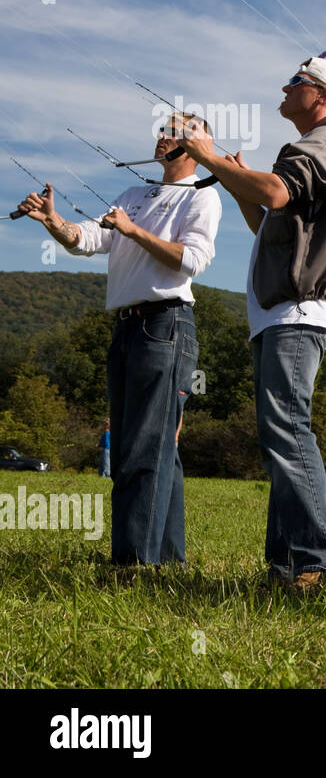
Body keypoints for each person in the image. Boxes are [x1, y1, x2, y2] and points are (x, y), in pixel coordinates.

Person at [178, 55, 326, 592]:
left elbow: (275, 192)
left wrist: (212, 159)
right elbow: (269, 219)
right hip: (288, 308)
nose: (284, 88)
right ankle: (287, 566)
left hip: (297, 307)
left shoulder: (323, 142)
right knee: (278, 432)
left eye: (297, 82)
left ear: (325, 96)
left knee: (287, 428)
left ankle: (318, 562)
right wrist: (237, 177)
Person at [17, 113, 220, 565]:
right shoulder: (134, 193)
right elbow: (87, 238)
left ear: (195, 145)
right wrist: (53, 221)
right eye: (162, 129)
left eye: (173, 132)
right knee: (148, 446)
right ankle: (166, 561)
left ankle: (133, 565)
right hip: (127, 326)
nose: (161, 137)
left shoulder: (203, 198)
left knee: (145, 449)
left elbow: (192, 261)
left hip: (167, 325)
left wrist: (133, 230)